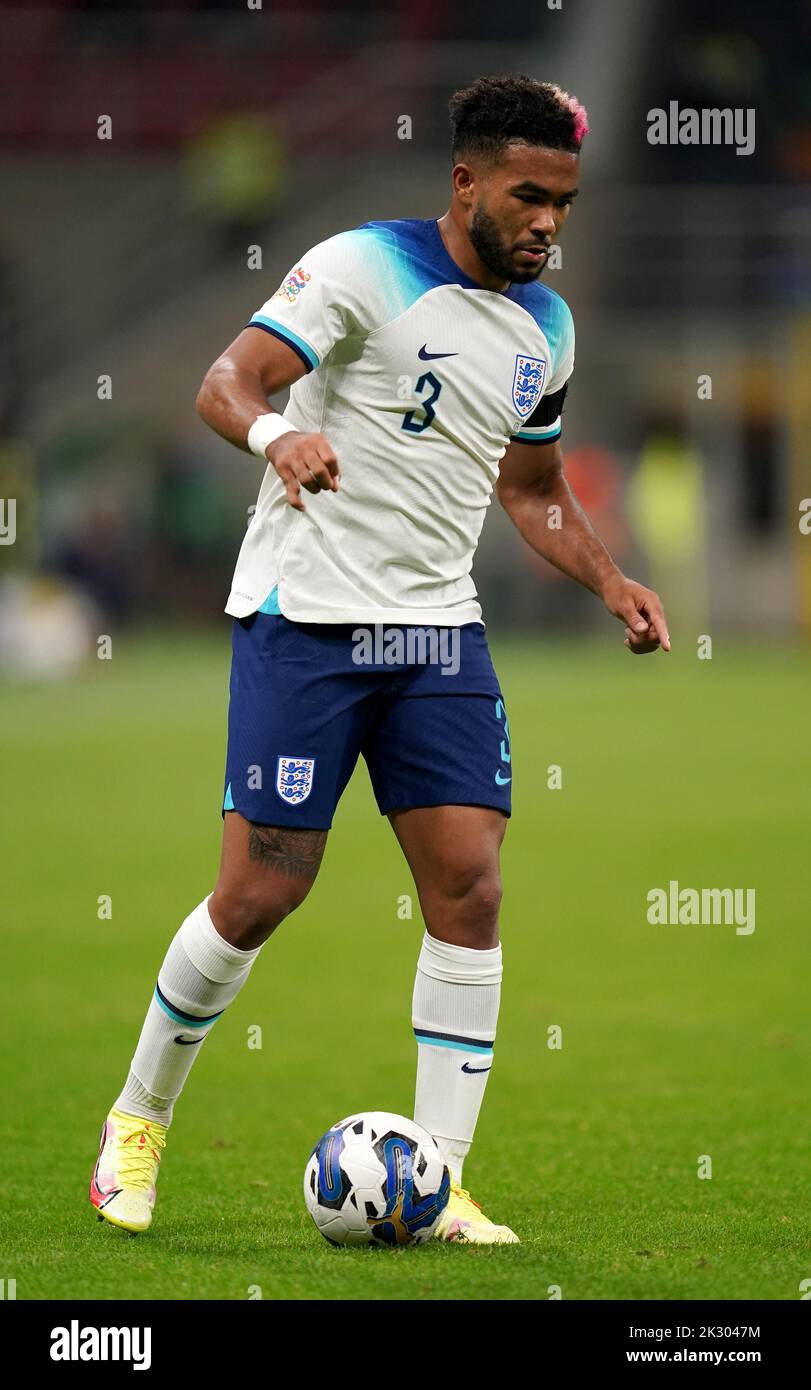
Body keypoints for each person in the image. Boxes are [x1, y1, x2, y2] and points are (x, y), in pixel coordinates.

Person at [90, 74, 670, 1245]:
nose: (549, 223)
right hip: (304, 622)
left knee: (470, 887)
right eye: (527, 197)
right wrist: (278, 431)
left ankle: (440, 1180)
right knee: (261, 892)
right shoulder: (360, 265)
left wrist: (610, 580)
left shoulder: (545, 327)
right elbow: (226, 381)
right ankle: (137, 1123)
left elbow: (533, 486)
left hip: (434, 633)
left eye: (564, 202)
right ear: (464, 183)